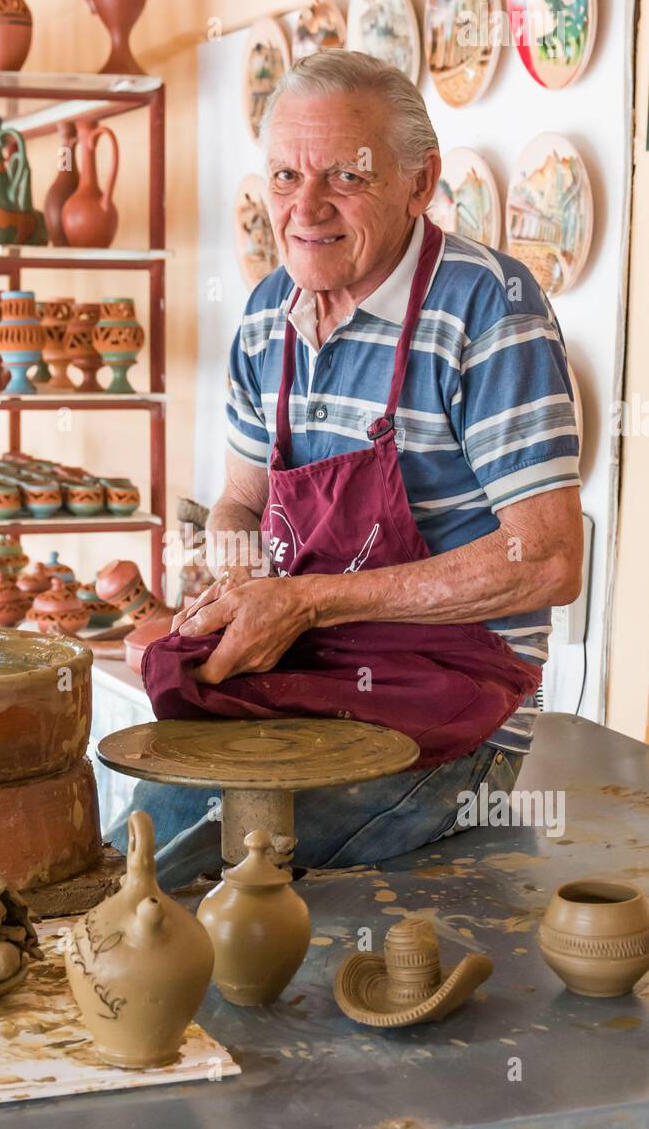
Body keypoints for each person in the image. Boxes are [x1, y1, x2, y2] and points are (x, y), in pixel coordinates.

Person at [109, 49, 582, 889]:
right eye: (285, 174)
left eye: (346, 177)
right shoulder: (265, 316)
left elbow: (546, 560)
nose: (306, 207)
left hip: (454, 707)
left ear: (419, 181)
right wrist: (241, 584)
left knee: (179, 883)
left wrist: (307, 599)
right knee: (125, 839)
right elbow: (238, 505)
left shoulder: (488, 307)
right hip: (304, 673)